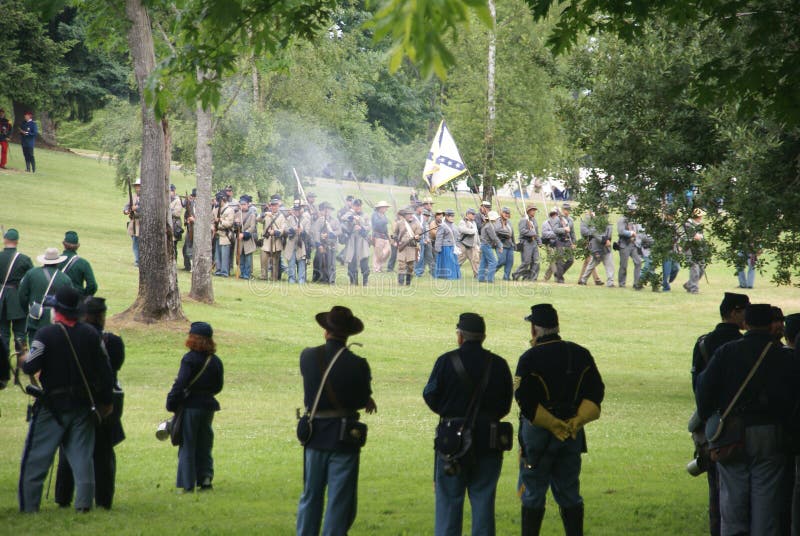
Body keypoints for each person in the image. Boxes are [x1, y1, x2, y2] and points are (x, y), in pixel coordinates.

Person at [696, 304, 799, 536]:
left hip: (731, 432)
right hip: (770, 432)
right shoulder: (785, 356)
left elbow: (704, 391)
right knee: (766, 500)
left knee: (732, 500)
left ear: (747, 323)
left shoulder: (727, 352)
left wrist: (709, 419)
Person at [18, 286, 114, 512]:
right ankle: (83, 506)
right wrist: (106, 402)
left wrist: (23, 358)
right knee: (82, 460)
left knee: (36, 458)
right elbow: (105, 373)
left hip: (53, 406)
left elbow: (31, 366)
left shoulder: (45, 335)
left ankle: (29, 506)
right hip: (82, 405)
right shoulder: (91, 335)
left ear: (57, 311)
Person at [515, 303, 605, 535]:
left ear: (534, 329)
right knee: (569, 491)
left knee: (533, 492)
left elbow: (524, 399)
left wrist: (551, 424)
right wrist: (573, 422)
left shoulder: (529, 358)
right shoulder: (580, 353)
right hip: (572, 431)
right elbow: (596, 392)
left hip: (537, 435)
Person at [423, 313, 513, 536]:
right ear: (483, 337)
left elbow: (430, 395)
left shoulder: (445, 361)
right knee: (483, 500)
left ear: (460, 336)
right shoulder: (499, 364)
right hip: (488, 439)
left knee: (448, 503)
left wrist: (449, 413)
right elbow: (505, 404)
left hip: (452, 440)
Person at [296, 306, 377, 536]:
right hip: (343, 437)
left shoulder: (308, 356)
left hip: (315, 434)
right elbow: (361, 398)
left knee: (310, 495)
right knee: (340, 500)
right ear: (348, 334)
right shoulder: (358, 364)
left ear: (325, 331)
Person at [55, 297, 126, 509]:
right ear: (101, 316)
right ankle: (104, 500)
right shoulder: (112, 341)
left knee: (69, 450)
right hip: (103, 400)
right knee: (103, 453)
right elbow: (116, 365)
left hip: (75, 400)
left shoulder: (70, 338)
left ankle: (63, 496)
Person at [691, 292, 749, 536]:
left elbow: (697, 385)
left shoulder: (704, 343)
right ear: (735, 312)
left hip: (713, 423)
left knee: (715, 487)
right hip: (741, 422)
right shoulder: (743, 345)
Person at [166, 322, 224, 493]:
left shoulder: (189, 359)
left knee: (188, 444)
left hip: (190, 406)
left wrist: (171, 402)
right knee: (205, 444)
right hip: (208, 406)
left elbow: (181, 383)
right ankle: (206, 480)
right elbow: (218, 386)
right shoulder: (215, 361)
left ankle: (187, 483)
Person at [18, 248, 73, 344]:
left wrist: (29, 310)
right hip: (55, 319)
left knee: (35, 349)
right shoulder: (65, 279)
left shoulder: (31, 273)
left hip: (35, 317)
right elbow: (70, 301)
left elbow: (22, 295)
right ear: (58, 262)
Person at [0, 229, 34, 364]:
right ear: (17, 241)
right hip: (18, 298)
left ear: (5, 240)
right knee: (20, 332)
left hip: (1, 297)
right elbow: (31, 278)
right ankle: (22, 361)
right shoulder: (24, 259)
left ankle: (3, 361)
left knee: (2, 331)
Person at [578, 209, 614, 287]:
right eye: (604, 213)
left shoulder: (608, 224)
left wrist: (608, 240)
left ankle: (610, 282)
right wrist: (605, 241)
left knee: (609, 265)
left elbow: (609, 234)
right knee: (592, 265)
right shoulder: (595, 223)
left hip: (606, 248)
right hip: (597, 247)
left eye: (606, 214)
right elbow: (595, 234)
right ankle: (583, 280)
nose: (605, 215)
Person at [58, 231, 97, 297]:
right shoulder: (83, 263)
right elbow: (92, 285)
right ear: (78, 246)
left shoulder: (55, 261)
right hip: (76, 299)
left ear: (64, 244)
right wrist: (84, 296)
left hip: (58, 297)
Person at [342, 199, 371, 286]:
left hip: (362, 241)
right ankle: (353, 282)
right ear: (353, 206)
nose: (357, 207)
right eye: (356, 205)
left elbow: (369, 227)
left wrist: (361, 228)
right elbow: (343, 218)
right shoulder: (349, 214)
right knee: (352, 263)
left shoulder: (365, 215)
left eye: (359, 205)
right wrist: (352, 217)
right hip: (352, 241)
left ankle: (365, 282)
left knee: (364, 261)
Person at [392, 207, 423, 286]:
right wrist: (396, 239)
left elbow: (419, 236)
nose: (410, 215)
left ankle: (408, 283)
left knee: (410, 266)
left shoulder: (417, 224)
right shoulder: (399, 223)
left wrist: (417, 237)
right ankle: (400, 283)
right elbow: (395, 233)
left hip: (412, 247)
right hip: (402, 247)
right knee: (401, 265)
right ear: (404, 215)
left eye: (411, 214)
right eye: (408, 214)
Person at [311, 202, 340, 284]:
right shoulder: (320, 220)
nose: (327, 211)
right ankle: (322, 279)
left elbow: (339, 231)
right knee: (321, 263)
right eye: (326, 210)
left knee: (332, 264)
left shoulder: (335, 220)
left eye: (329, 210)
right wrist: (319, 243)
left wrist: (331, 234)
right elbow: (316, 232)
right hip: (322, 245)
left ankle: (331, 280)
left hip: (332, 245)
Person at [283, 201, 312, 284]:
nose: (297, 212)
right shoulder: (289, 219)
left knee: (301, 263)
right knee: (291, 263)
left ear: (301, 211)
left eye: (298, 210)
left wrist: (301, 232)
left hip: (301, 244)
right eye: (295, 210)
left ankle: (301, 280)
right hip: (291, 243)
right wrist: (292, 230)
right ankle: (291, 279)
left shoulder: (306, 220)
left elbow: (308, 233)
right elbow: (285, 229)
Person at [258, 196, 285, 281]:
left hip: (276, 242)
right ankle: (263, 276)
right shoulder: (267, 215)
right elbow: (258, 219)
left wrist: (275, 232)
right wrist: (265, 213)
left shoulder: (281, 216)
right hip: (266, 241)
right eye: (272, 205)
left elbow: (282, 230)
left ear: (278, 206)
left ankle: (274, 278)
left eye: (275, 205)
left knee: (275, 263)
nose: (273, 207)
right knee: (263, 261)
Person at [513, 205, 542, 282]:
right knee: (526, 261)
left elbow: (536, 232)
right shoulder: (523, 220)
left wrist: (539, 241)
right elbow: (522, 231)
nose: (534, 212)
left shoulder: (534, 220)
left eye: (534, 210)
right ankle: (516, 274)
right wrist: (531, 233)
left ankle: (532, 277)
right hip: (526, 242)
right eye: (533, 210)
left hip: (534, 242)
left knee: (536, 261)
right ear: (528, 211)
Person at [683, 209, 707, 294]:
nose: (701, 217)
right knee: (695, 268)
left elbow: (701, 237)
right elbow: (696, 237)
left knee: (701, 269)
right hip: (689, 248)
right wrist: (699, 237)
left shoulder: (699, 225)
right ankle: (694, 289)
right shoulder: (688, 224)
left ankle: (689, 284)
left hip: (698, 248)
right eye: (700, 216)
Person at [616, 209, 643, 288]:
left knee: (638, 262)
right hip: (624, 244)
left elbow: (638, 230)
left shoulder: (634, 220)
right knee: (624, 265)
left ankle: (637, 283)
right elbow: (621, 231)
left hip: (633, 244)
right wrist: (631, 233)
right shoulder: (622, 220)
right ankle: (622, 283)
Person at [434, 209, 462, 280]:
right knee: (448, 263)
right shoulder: (442, 226)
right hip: (445, 247)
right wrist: (438, 248)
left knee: (453, 262)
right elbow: (439, 237)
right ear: (446, 216)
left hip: (453, 247)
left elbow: (457, 237)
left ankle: (454, 276)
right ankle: (447, 276)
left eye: (453, 216)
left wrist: (458, 246)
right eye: (450, 216)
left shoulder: (454, 226)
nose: (452, 217)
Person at [213, 192, 235, 277]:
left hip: (225, 234)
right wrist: (212, 227)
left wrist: (220, 220)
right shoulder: (215, 209)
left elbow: (229, 223)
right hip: (218, 233)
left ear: (223, 200)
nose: (218, 202)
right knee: (217, 254)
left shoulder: (230, 210)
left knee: (224, 255)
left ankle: (224, 272)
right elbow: (212, 220)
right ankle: (218, 270)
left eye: (219, 200)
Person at [238, 195, 258, 280]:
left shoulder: (252, 215)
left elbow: (252, 227)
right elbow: (235, 225)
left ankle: (247, 274)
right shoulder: (238, 214)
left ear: (248, 205)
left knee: (248, 258)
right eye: (241, 204)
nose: (243, 206)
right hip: (240, 239)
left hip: (248, 238)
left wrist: (244, 234)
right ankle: (242, 273)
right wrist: (236, 225)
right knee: (241, 257)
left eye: (244, 204)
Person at [478, 211, 501, 283]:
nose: (497, 219)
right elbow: (493, 237)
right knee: (493, 262)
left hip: (483, 245)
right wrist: (500, 244)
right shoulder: (490, 226)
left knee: (483, 262)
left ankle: (481, 278)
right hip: (486, 245)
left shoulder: (485, 225)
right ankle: (490, 279)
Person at [123, 178, 141, 267]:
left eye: (139, 187)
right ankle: (137, 259)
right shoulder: (133, 197)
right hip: (134, 222)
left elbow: (147, 209)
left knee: (138, 242)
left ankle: (138, 260)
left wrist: (137, 208)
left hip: (142, 223)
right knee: (135, 241)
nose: (137, 189)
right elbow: (127, 206)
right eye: (136, 187)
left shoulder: (147, 197)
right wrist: (126, 210)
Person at [457, 208, 480, 278]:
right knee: (459, 261)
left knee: (475, 261)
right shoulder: (463, 222)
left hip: (472, 246)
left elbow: (476, 234)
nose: (474, 215)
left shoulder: (474, 222)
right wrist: (472, 230)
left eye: (474, 214)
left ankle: (477, 275)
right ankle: (453, 272)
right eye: (472, 214)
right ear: (468, 214)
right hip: (464, 245)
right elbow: (463, 230)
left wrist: (479, 244)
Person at [494, 207, 515, 281]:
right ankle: (490, 273)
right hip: (501, 245)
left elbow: (512, 234)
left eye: (508, 213)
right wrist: (506, 233)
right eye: (505, 213)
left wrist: (514, 244)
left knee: (510, 262)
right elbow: (497, 230)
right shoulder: (498, 221)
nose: (506, 214)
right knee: (501, 261)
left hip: (510, 245)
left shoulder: (509, 222)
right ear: (501, 213)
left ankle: (506, 277)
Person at [371, 201, 392, 273]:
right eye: (385, 207)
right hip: (377, 236)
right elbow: (377, 224)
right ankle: (376, 268)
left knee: (388, 250)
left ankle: (379, 266)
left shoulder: (383, 215)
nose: (386, 209)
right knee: (378, 254)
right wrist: (384, 220)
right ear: (380, 208)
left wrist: (388, 236)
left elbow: (384, 227)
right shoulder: (375, 215)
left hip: (384, 236)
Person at [169, 185, 184, 260]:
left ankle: (174, 261)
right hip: (169, 223)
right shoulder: (167, 199)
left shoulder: (177, 200)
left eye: (170, 191)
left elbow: (177, 213)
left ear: (174, 191)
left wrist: (168, 211)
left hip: (174, 224)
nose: (169, 192)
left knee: (173, 245)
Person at [183, 188, 196, 271]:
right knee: (188, 248)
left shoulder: (203, 207)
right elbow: (185, 216)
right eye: (194, 196)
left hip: (198, 231)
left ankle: (195, 266)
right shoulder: (190, 205)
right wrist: (187, 220)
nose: (194, 198)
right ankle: (190, 266)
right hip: (190, 229)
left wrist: (194, 219)